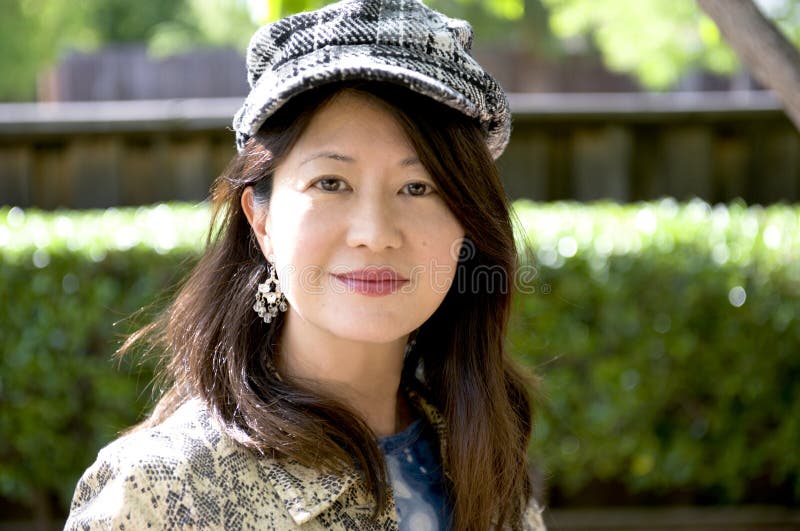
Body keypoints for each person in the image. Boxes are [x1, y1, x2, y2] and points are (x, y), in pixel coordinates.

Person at [65, 0, 546, 529]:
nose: (376, 234)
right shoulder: (161, 491)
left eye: (419, 187)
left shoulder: (483, 456)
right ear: (261, 220)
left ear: (466, 226)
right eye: (330, 183)